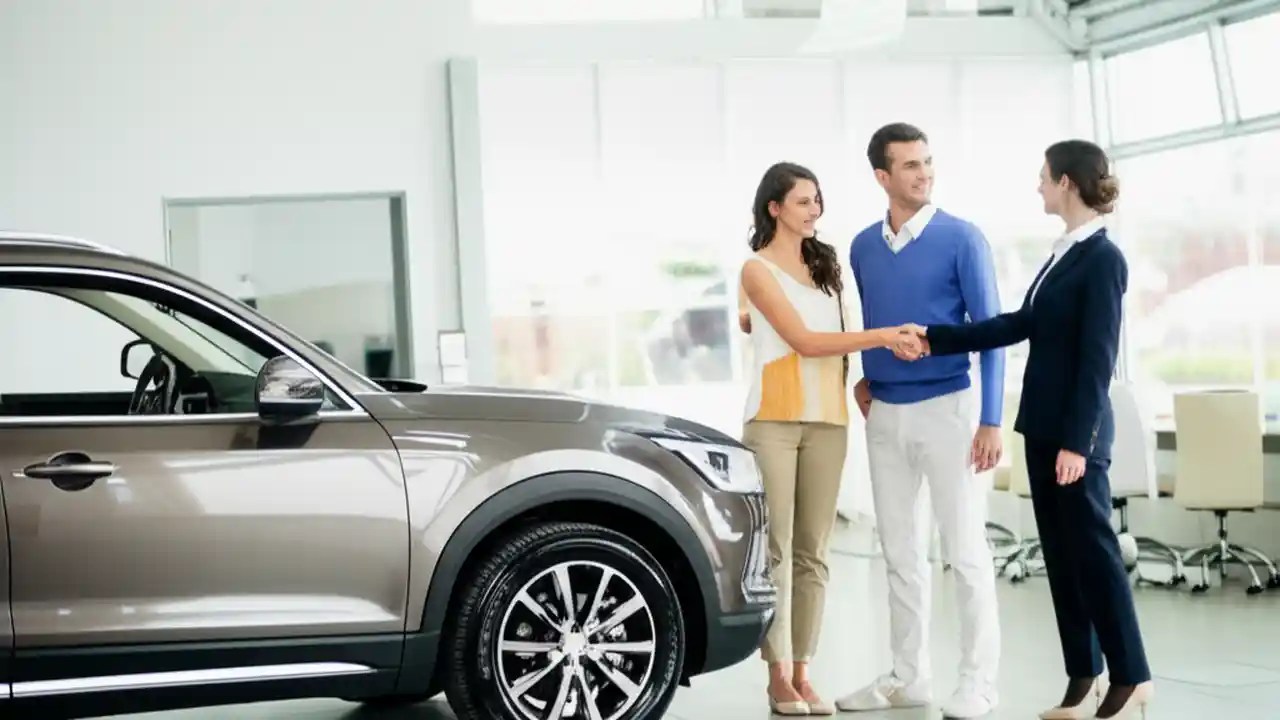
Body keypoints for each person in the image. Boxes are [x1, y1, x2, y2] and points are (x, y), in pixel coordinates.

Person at [905, 139, 1154, 719]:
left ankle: (1132, 674)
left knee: (1093, 555)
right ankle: (1081, 676)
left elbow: (1098, 359)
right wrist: (938, 337)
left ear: (1067, 181)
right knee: (1062, 559)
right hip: (1042, 427)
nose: (1038, 185)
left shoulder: (1102, 258)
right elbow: (1021, 324)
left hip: (1075, 435)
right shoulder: (1065, 251)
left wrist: (1078, 441)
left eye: (1043, 177)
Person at [835, 122, 1004, 719]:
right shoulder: (860, 246)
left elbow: (992, 337)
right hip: (884, 414)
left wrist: (991, 419)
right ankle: (910, 676)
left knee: (965, 551)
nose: (924, 173)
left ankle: (979, 681)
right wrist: (863, 373)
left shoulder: (963, 238)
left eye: (927, 161)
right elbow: (874, 320)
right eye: (909, 165)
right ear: (882, 176)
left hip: (950, 414)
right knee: (899, 554)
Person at [738, 161, 918, 717]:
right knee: (777, 551)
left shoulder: (827, 265)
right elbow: (807, 341)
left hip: (829, 422)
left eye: (818, 200)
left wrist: (863, 375)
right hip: (773, 420)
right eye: (802, 201)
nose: (814, 209)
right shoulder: (756, 269)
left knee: (815, 553)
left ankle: (802, 670)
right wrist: (887, 337)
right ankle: (776, 677)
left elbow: (837, 334)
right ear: (774, 208)